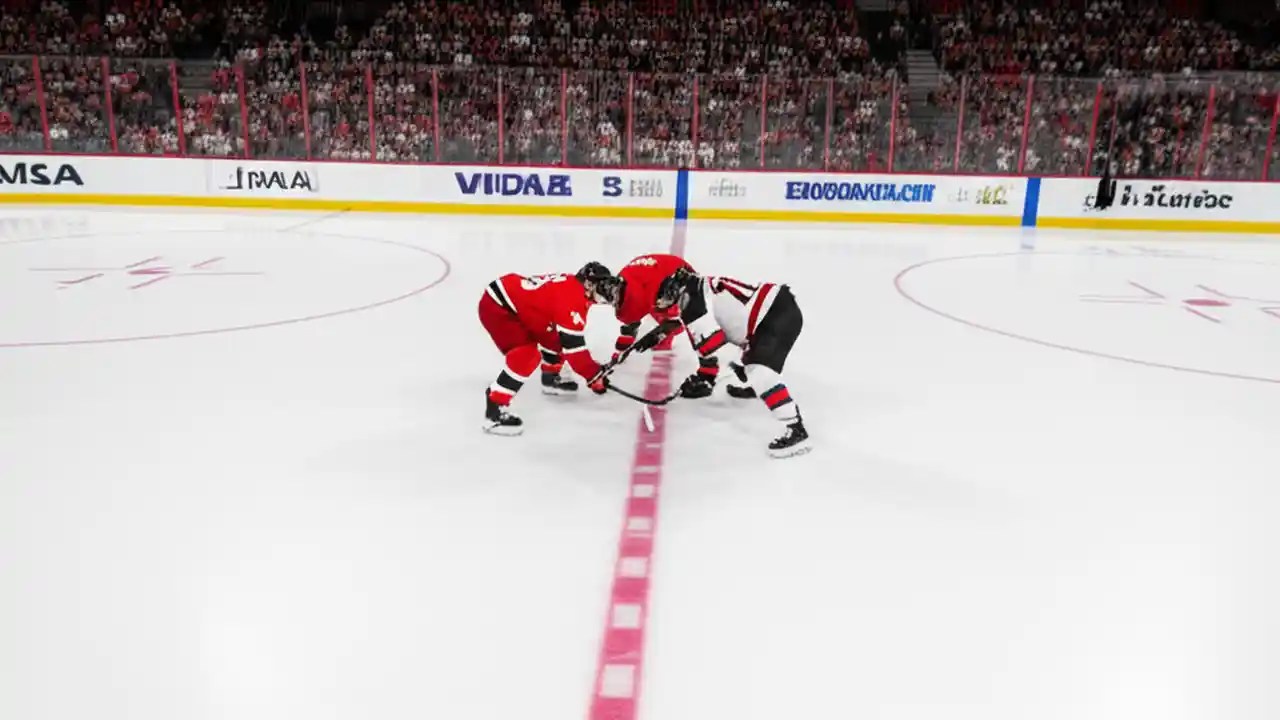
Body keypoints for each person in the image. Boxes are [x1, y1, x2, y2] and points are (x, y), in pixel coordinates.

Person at [642, 268, 810, 458]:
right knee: (751, 364)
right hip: (776, 309)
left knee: (759, 373)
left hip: (773, 318)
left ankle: (796, 431)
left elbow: (713, 346)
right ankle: (755, 387)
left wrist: (711, 375)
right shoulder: (698, 288)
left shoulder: (692, 304)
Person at [477, 261, 620, 435]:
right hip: (498, 306)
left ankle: (551, 377)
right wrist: (594, 375)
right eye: (602, 285)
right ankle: (494, 410)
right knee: (526, 356)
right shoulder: (573, 300)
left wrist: (592, 373)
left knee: (556, 338)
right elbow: (575, 352)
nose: (607, 290)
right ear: (589, 284)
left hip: (511, 300)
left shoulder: (575, 287)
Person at [613, 253, 720, 394]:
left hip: (677, 275)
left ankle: (708, 373)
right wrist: (626, 344)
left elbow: (676, 322)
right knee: (658, 309)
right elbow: (630, 313)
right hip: (659, 276)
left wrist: (660, 333)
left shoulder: (651, 291)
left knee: (691, 321)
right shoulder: (628, 288)